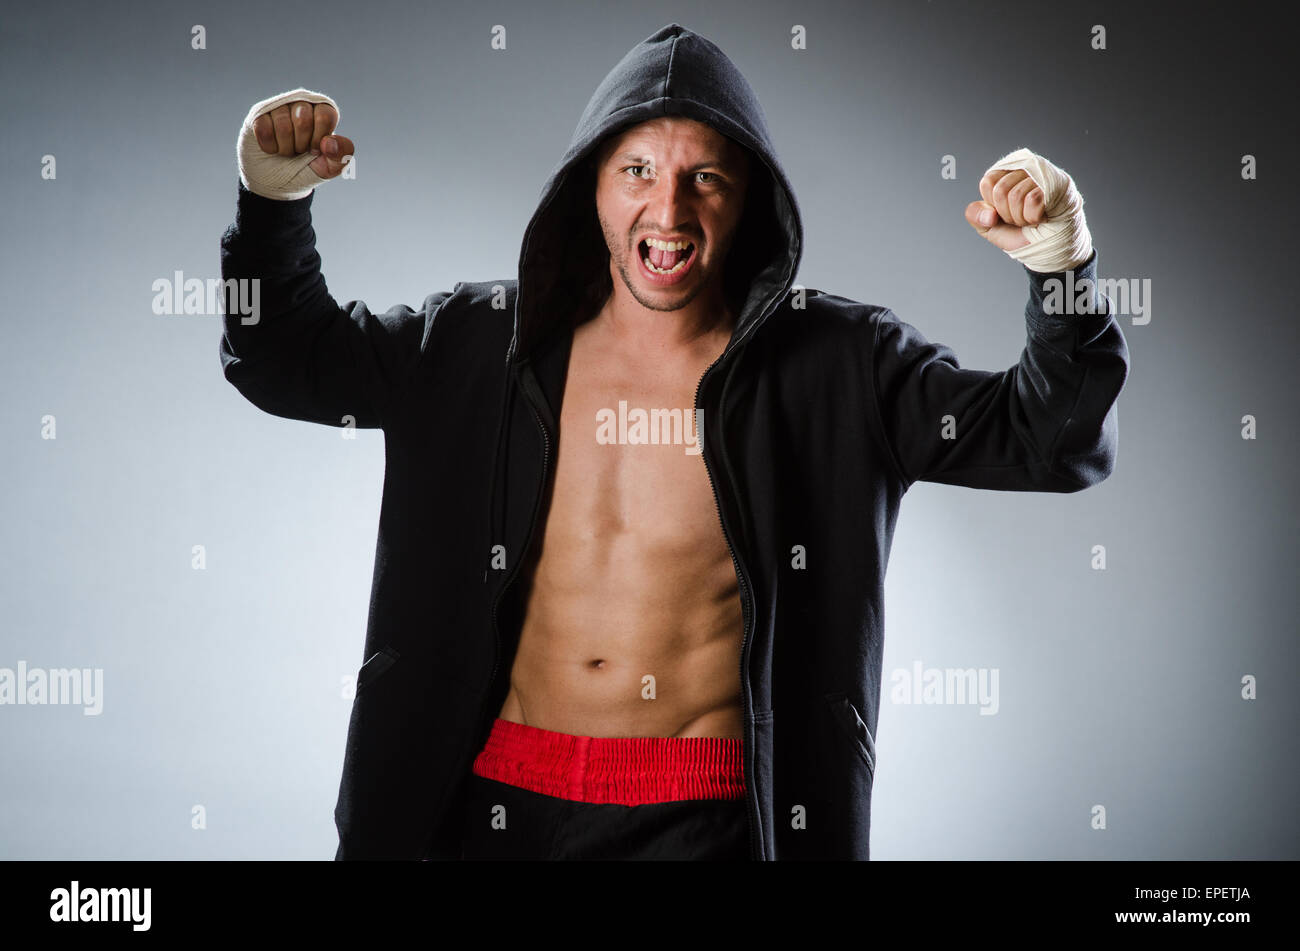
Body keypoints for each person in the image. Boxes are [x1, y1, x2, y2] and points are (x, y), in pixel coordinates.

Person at [220, 23, 1129, 860]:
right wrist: (271, 205)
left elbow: (1052, 439)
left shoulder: (838, 367)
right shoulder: (472, 344)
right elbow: (282, 358)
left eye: (706, 177)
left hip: (711, 826)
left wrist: (1064, 275)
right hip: (488, 808)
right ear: (593, 190)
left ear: (749, 203)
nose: (670, 209)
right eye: (638, 172)